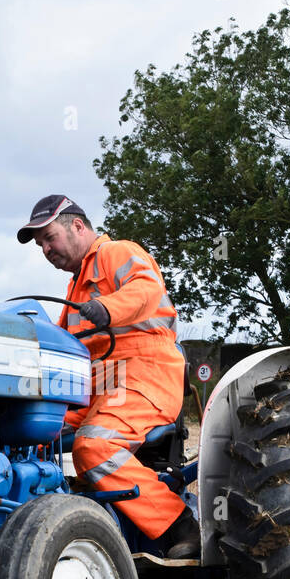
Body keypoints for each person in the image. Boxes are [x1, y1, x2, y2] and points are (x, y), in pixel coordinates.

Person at [18, 194, 200, 559]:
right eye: (40, 245)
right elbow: (65, 345)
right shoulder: (75, 288)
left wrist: (106, 308)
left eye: (49, 237)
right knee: (28, 438)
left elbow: (147, 289)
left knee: (94, 447)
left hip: (144, 375)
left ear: (78, 226)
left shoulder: (115, 253)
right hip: (102, 385)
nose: (46, 249)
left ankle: (179, 524)